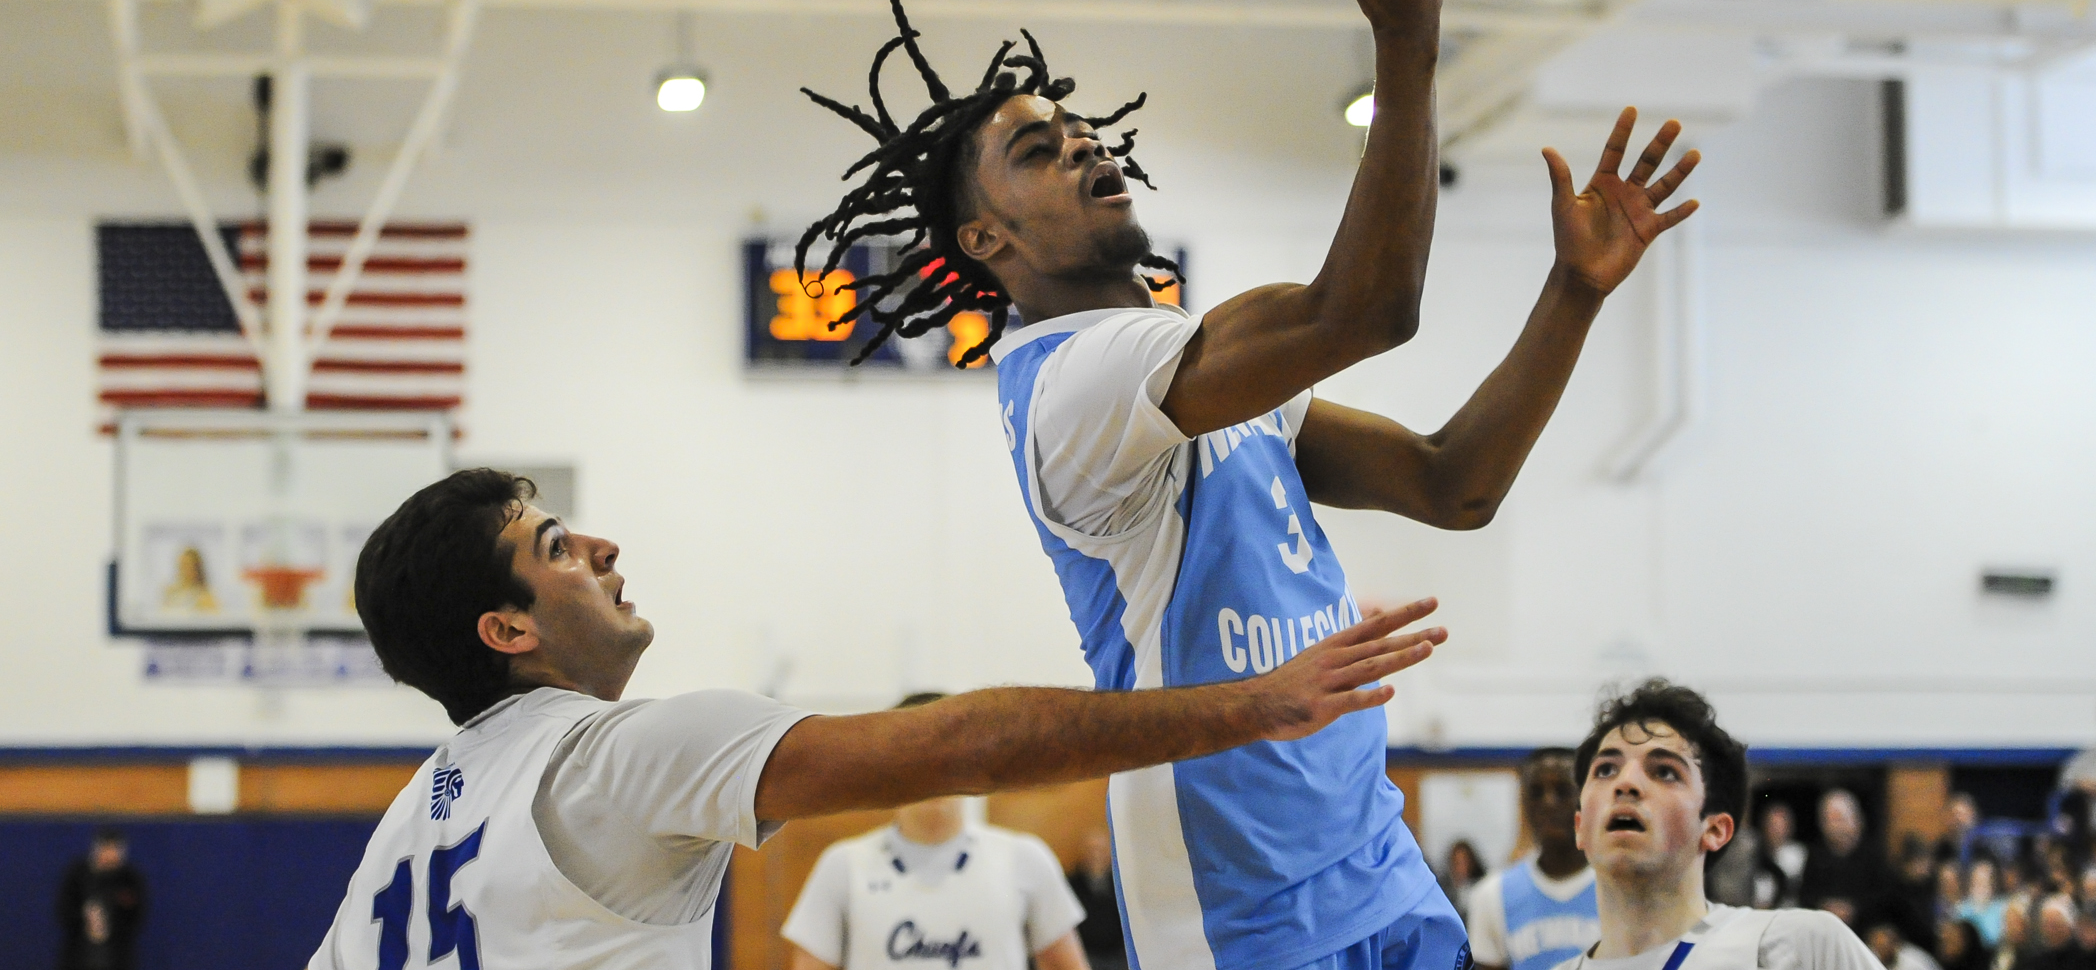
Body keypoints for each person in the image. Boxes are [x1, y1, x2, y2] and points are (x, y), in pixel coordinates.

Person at [798, 0, 1700, 970]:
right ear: (986, 240)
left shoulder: (1197, 366)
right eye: (1037, 150)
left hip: (1374, 861)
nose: (1080, 143)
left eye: (1078, 129)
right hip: (1234, 907)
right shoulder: (1073, 384)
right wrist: (1407, 44)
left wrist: (1572, 293)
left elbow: (1449, 482)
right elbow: (1364, 309)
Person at [307, 470, 1445, 970]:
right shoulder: (622, 755)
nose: (598, 545)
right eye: (554, 546)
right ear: (506, 631)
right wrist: (1255, 702)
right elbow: (963, 744)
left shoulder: (417, 815)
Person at [1553, 678, 1879, 970]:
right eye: (1606, 769)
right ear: (1580, 826)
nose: (1626, 783)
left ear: (1714, 829)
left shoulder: (1796, 946)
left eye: (1664, 771)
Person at [782, 694, 1089, 970]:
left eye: (949, 754)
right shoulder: (842, 865)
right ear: (886, 768)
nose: (934, 769)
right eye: (916, 756)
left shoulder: (1024, 858)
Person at [1469, 750, 1600, 970]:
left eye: (1563, 791)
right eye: (1536, 792)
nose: (1549, 803)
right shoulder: (1491, 894)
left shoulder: (1623, 887)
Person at [1804, 792, 1897, 930]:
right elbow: (1806, 895)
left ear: (1855, 820)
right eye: (1828, 820)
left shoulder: (1873, 855)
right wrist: (1825, 907)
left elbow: (1885, 898)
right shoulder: (1816, 856)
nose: (1835, 827)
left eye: (1839, 819)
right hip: (1825, 929)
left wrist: (1853, 909)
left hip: (1865, 930)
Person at [57, 828, 146, 970]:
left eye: (114, 849)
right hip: (79, 956)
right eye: (105, 848)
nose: (109, 855)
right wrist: (86, 920)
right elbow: (64, 910)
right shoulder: (77, 876)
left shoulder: (130, 880)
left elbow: (136, 915)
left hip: (116, 957)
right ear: (96, 849)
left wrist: (110, 924)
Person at [1068, 826, 1128, 970]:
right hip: (1084, 955)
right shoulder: (1070, 885)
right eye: (1090, 850)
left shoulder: (1121, 885)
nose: (1095, 855)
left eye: (1100, 850)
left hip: (1117, 956)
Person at [1757, 806, 1808, 911]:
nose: (1776, 830)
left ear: (1789, 827)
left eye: (1780, 826)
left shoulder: (1799, 854)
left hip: (1792, 911)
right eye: (1772, 825)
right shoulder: (1756, 856)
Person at [1445, 843, 1488, 923]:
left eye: (1464, 862)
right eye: (1457, 863)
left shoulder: (1482, 889)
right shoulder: (1445, 891)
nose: (1461, 867)